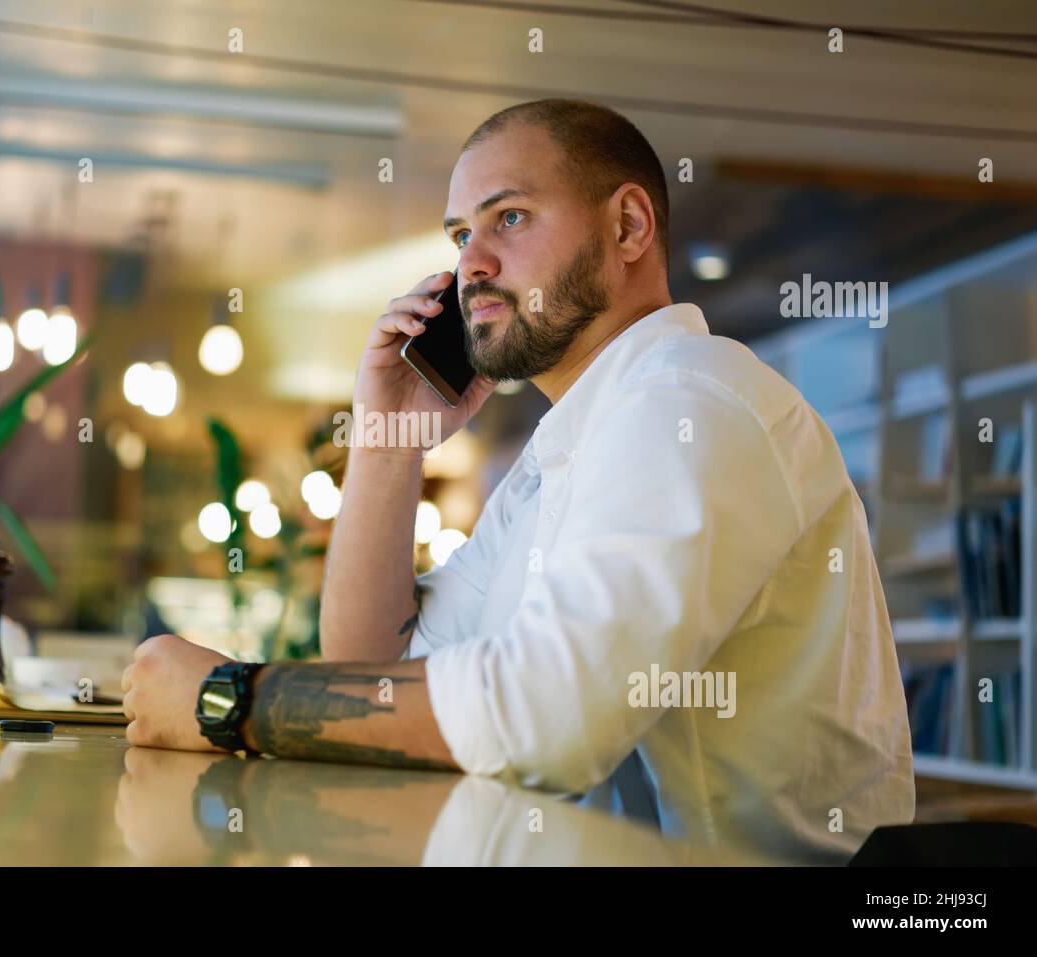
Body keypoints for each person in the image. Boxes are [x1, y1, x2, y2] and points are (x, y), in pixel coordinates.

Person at [122, 98, 915, 863]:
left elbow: (548, 715)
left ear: (629, 226)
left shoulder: (692, 400)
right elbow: (370, 662)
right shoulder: (559, 454)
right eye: (462, 233)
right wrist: (388, 438)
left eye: (510, 217)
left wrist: (230, 700)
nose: (472, 264)